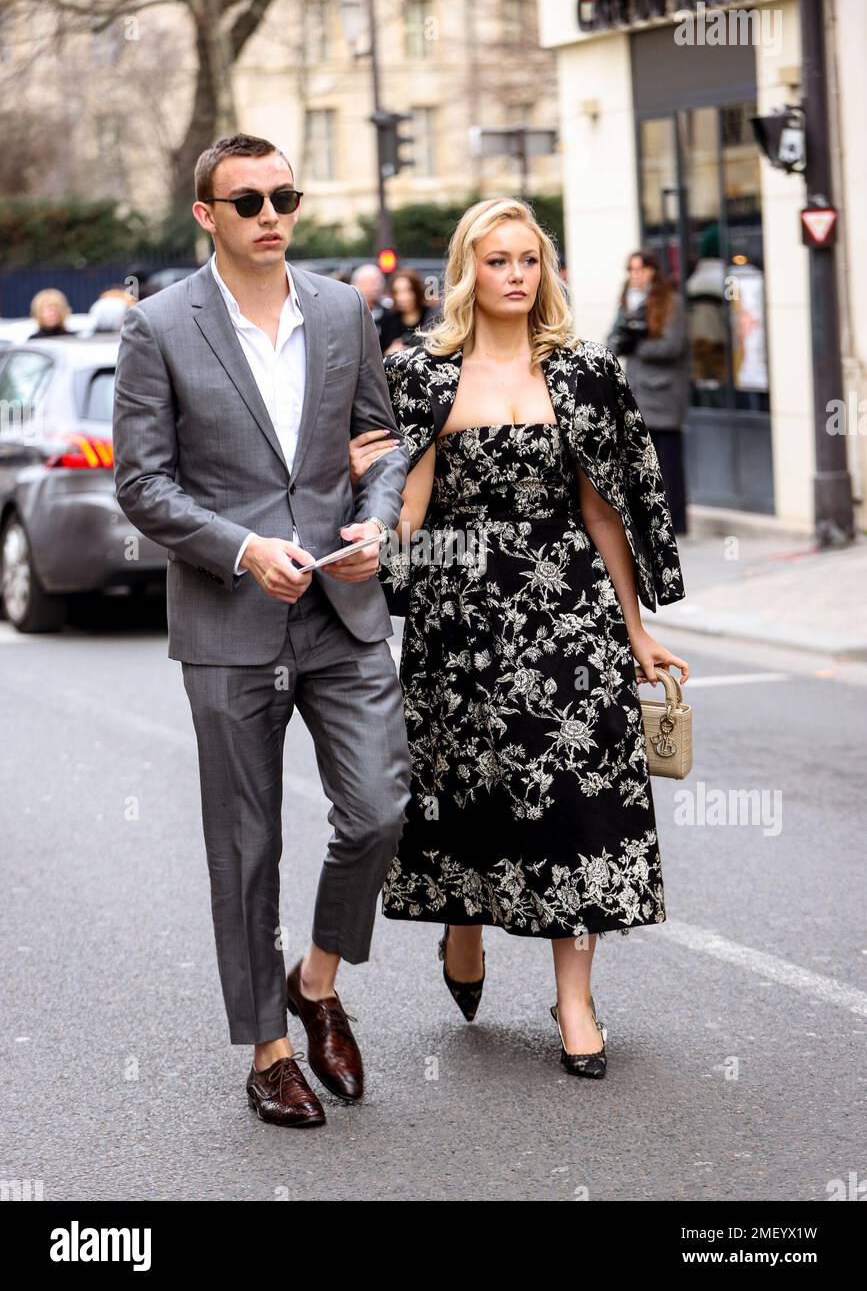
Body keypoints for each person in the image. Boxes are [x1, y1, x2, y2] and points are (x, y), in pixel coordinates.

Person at [350, 197, 688, 1081]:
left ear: (545, 269)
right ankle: (464, 925)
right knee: (469, 788)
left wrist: (634, 630)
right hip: (458, 614)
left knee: (576, 796)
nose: (515, 275)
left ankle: (573, 1000)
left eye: (528, 259)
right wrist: (370, 550)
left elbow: (603, 510)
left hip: (566, 607)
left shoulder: (583, 370)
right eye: (497, 260)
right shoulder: (421, 373)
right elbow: (411, 504)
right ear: (468, 270)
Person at [112, 133, 411, 1129]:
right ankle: (269, 1052)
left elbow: (378, 443)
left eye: (284, 196)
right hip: (229, 619)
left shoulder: (342, 308)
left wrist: (376, 521)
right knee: (246, 847)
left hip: (341, 607)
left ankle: (315, 980)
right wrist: (242, 549)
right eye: (248, 201)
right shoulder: (158, 326)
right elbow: (142, 484)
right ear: (207, 214)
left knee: (378, 810)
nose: (271, 214)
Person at [607, 250, 690, 535]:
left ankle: (676, 523)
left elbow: (672, 346)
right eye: (631, 270)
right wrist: (625, 338)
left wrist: (637, 343)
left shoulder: (672, 302)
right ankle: (650, 521)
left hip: (665, 396)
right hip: (637, 396)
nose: (636, 275)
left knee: (668, 464)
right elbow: (612, 342)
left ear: (654, 271)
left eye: (641, 269)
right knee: (640, 463)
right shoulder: (627, 302)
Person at [382, 267, 440, 354]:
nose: (402, 297)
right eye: (397, 292)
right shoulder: (388, 321)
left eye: (408, 290)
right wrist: (389, 353)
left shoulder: (431, 317)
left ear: (416, 291)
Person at [350, 263, 401, 353]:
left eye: (379, 282)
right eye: (372, 283)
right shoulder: (348, 314)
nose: (377, 286)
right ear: (357, 285)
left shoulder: (390, 314)